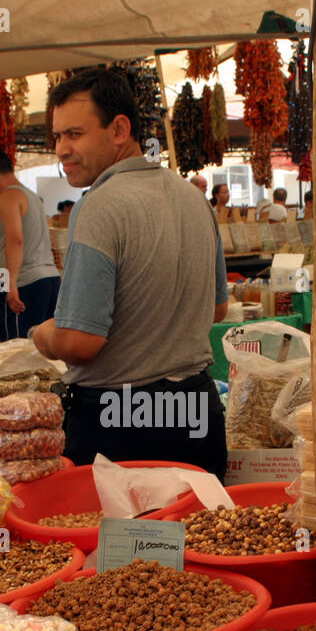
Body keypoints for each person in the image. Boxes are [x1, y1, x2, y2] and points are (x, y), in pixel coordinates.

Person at [29, 67, 228, 477]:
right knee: (195, 537)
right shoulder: (193, 199)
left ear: (119, 129)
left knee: (123, 541)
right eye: (58, 137)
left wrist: (44, 336)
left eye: (74, 134)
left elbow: (81, 341)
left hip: (121, 423)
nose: (62, 149)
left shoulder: (99, 205)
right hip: (195, 410)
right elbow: (217, 310)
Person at [0, 150, 61, 340]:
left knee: (15, 349)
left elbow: (15, 241)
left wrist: (10, 284)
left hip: (24, 281)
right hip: (49, 279)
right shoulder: (33, 197)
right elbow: (5, 243)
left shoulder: (7, 197)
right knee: (43, 347)